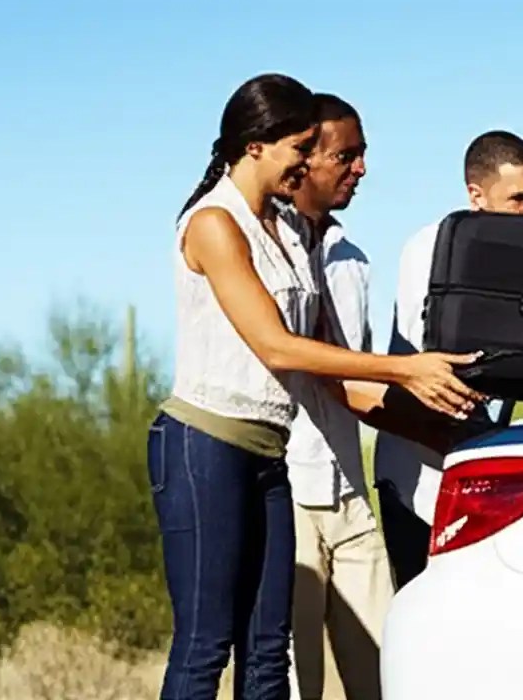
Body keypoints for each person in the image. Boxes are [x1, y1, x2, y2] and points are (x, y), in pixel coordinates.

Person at [149, 73, 483, 700]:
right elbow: (276, 345)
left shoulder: (286, 236)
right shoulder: (214, 225)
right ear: (255, 145)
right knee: (205, 644)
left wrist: (446, 409)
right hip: (204, 446)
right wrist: (409, 367)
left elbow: (337, 368)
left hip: (266, 453)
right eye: (300, 148)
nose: (305, 163)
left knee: (267, 648)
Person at [372, 129, 523, 590]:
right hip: (418, 473)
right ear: (476, 194)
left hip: (481, 469)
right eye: (519, 198)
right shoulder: (433, 247)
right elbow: (426, 361)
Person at [279, 93, 391, 700]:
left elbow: (359, 384)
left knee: (384, 674)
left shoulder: (354, 260)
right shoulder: (265, 251)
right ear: (305, 160)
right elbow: (305, 356)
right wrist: (408, 375)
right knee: (298, 685)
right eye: (346, 155)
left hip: (350, 491)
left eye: (362, 153)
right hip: (288, 492)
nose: (361, 168)